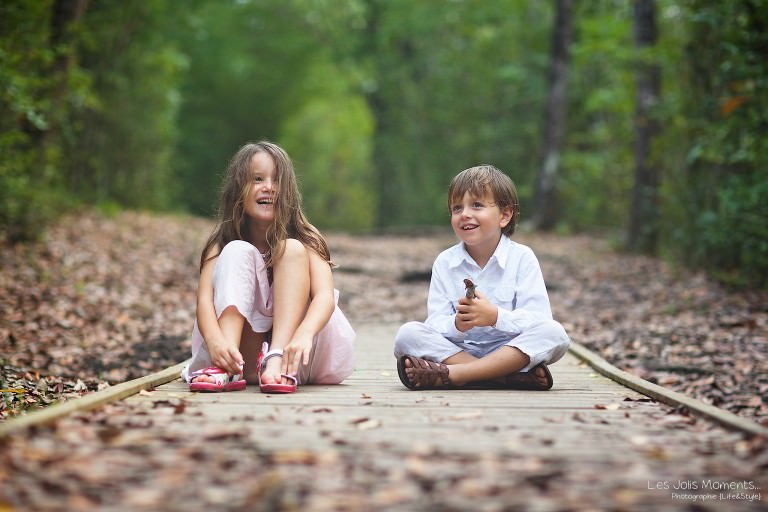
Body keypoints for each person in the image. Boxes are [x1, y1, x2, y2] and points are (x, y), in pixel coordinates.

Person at [181, 141, 355, 393]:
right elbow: (204, 302)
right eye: (257, 179)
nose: (269, 187)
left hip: (299, 352)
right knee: (237, 250)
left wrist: (305, 334)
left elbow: (324, 297)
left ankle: (276, 357)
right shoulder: (222, 243)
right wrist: (215, 341)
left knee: (290, 248)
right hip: (244, 358)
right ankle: (227, 366)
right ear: (238, 189)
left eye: (277, 181)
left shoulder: (306, 237)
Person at [394, 165, 569, 390]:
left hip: (510, 350)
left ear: (505, 215)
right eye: (457, 208)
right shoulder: (445, 262)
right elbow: (435, 322)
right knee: (408, 334)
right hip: (459, 351)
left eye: (477, 205)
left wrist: (496, 317)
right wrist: (457, 324)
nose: (465, 214)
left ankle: (457, 375)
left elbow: (538, 317)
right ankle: (505, 377)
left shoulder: (522, 258)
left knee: (554, 332)